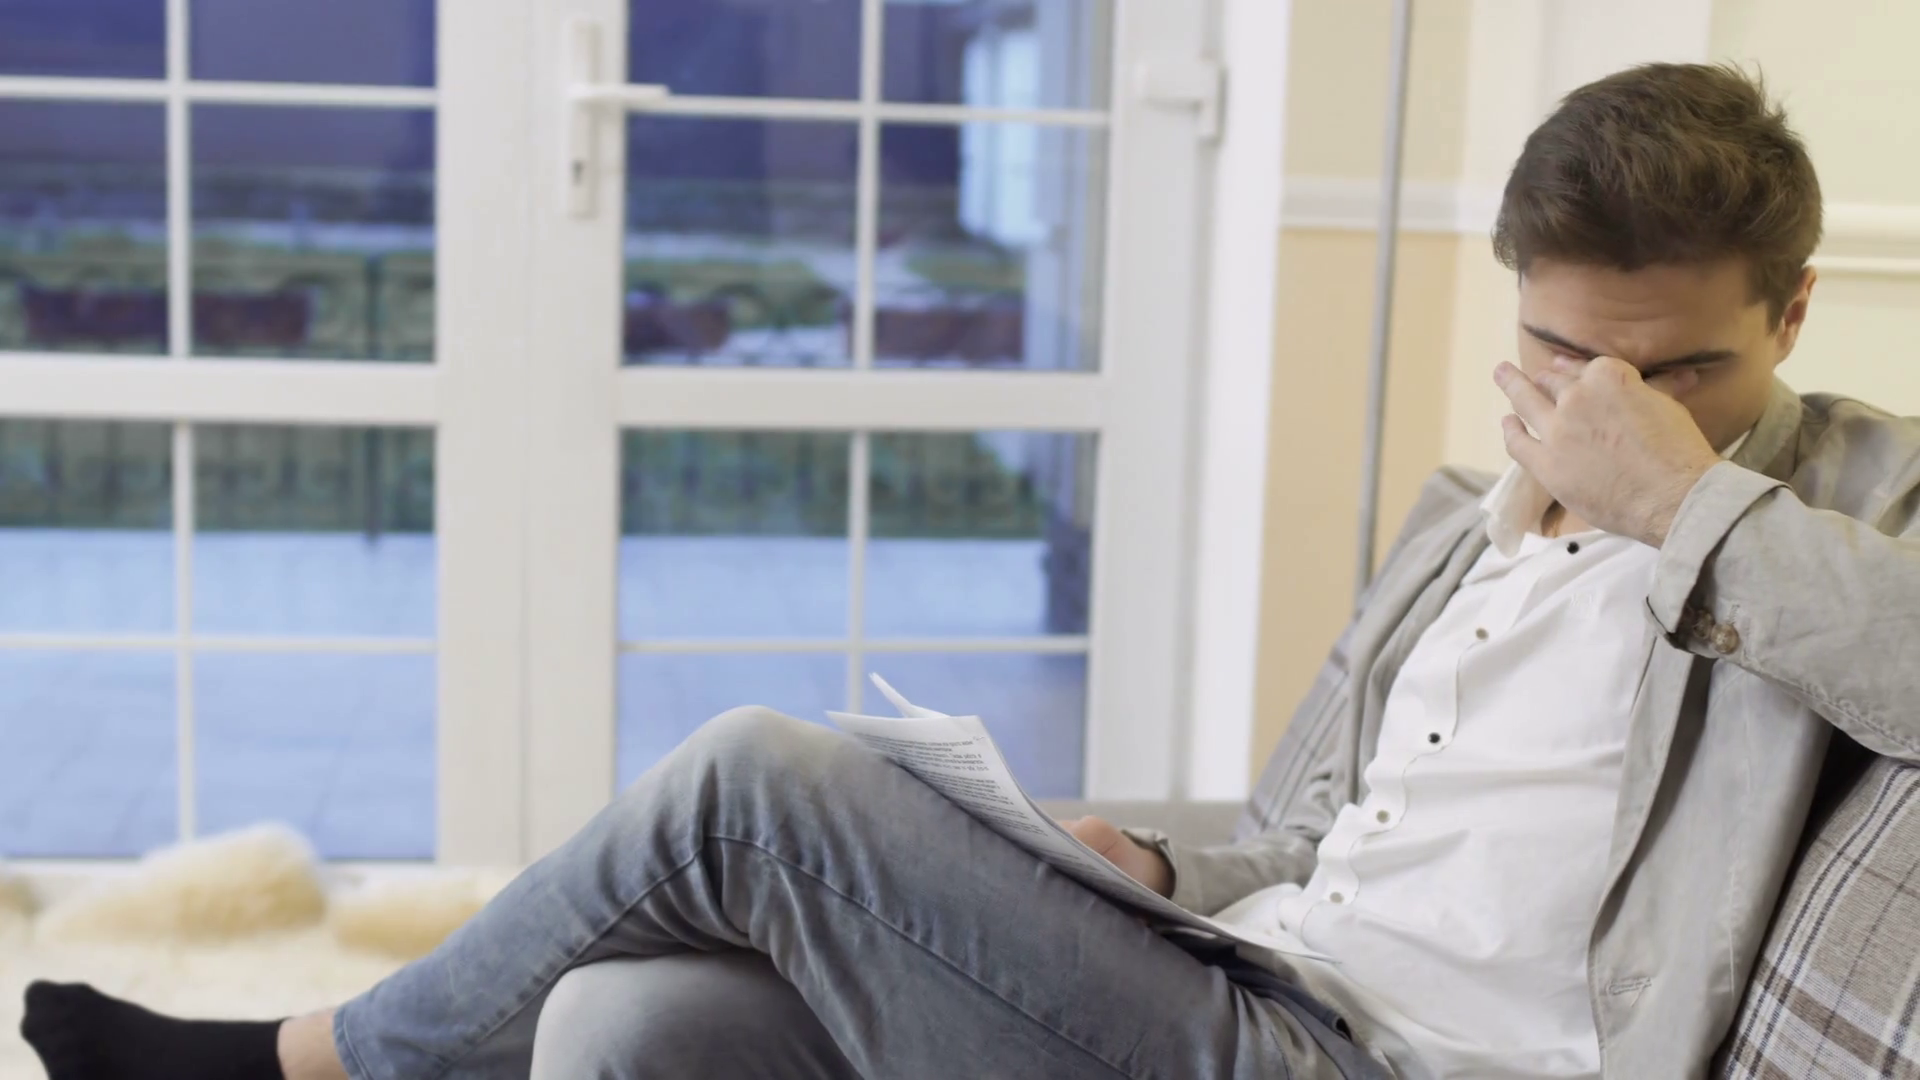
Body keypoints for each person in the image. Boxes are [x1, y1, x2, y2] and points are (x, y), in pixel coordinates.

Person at [21, 60, 1920, 1080]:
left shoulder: (1848, 502)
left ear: (1796, 314)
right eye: (1564, 361)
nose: (1604, 413)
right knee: (626, 1026)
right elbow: (1356, 844)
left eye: (1680, 371)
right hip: (1272, 977)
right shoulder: (1470, 519)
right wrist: (1175, 871)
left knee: (764, 776)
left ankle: (300, 1069)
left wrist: (1679, 493)